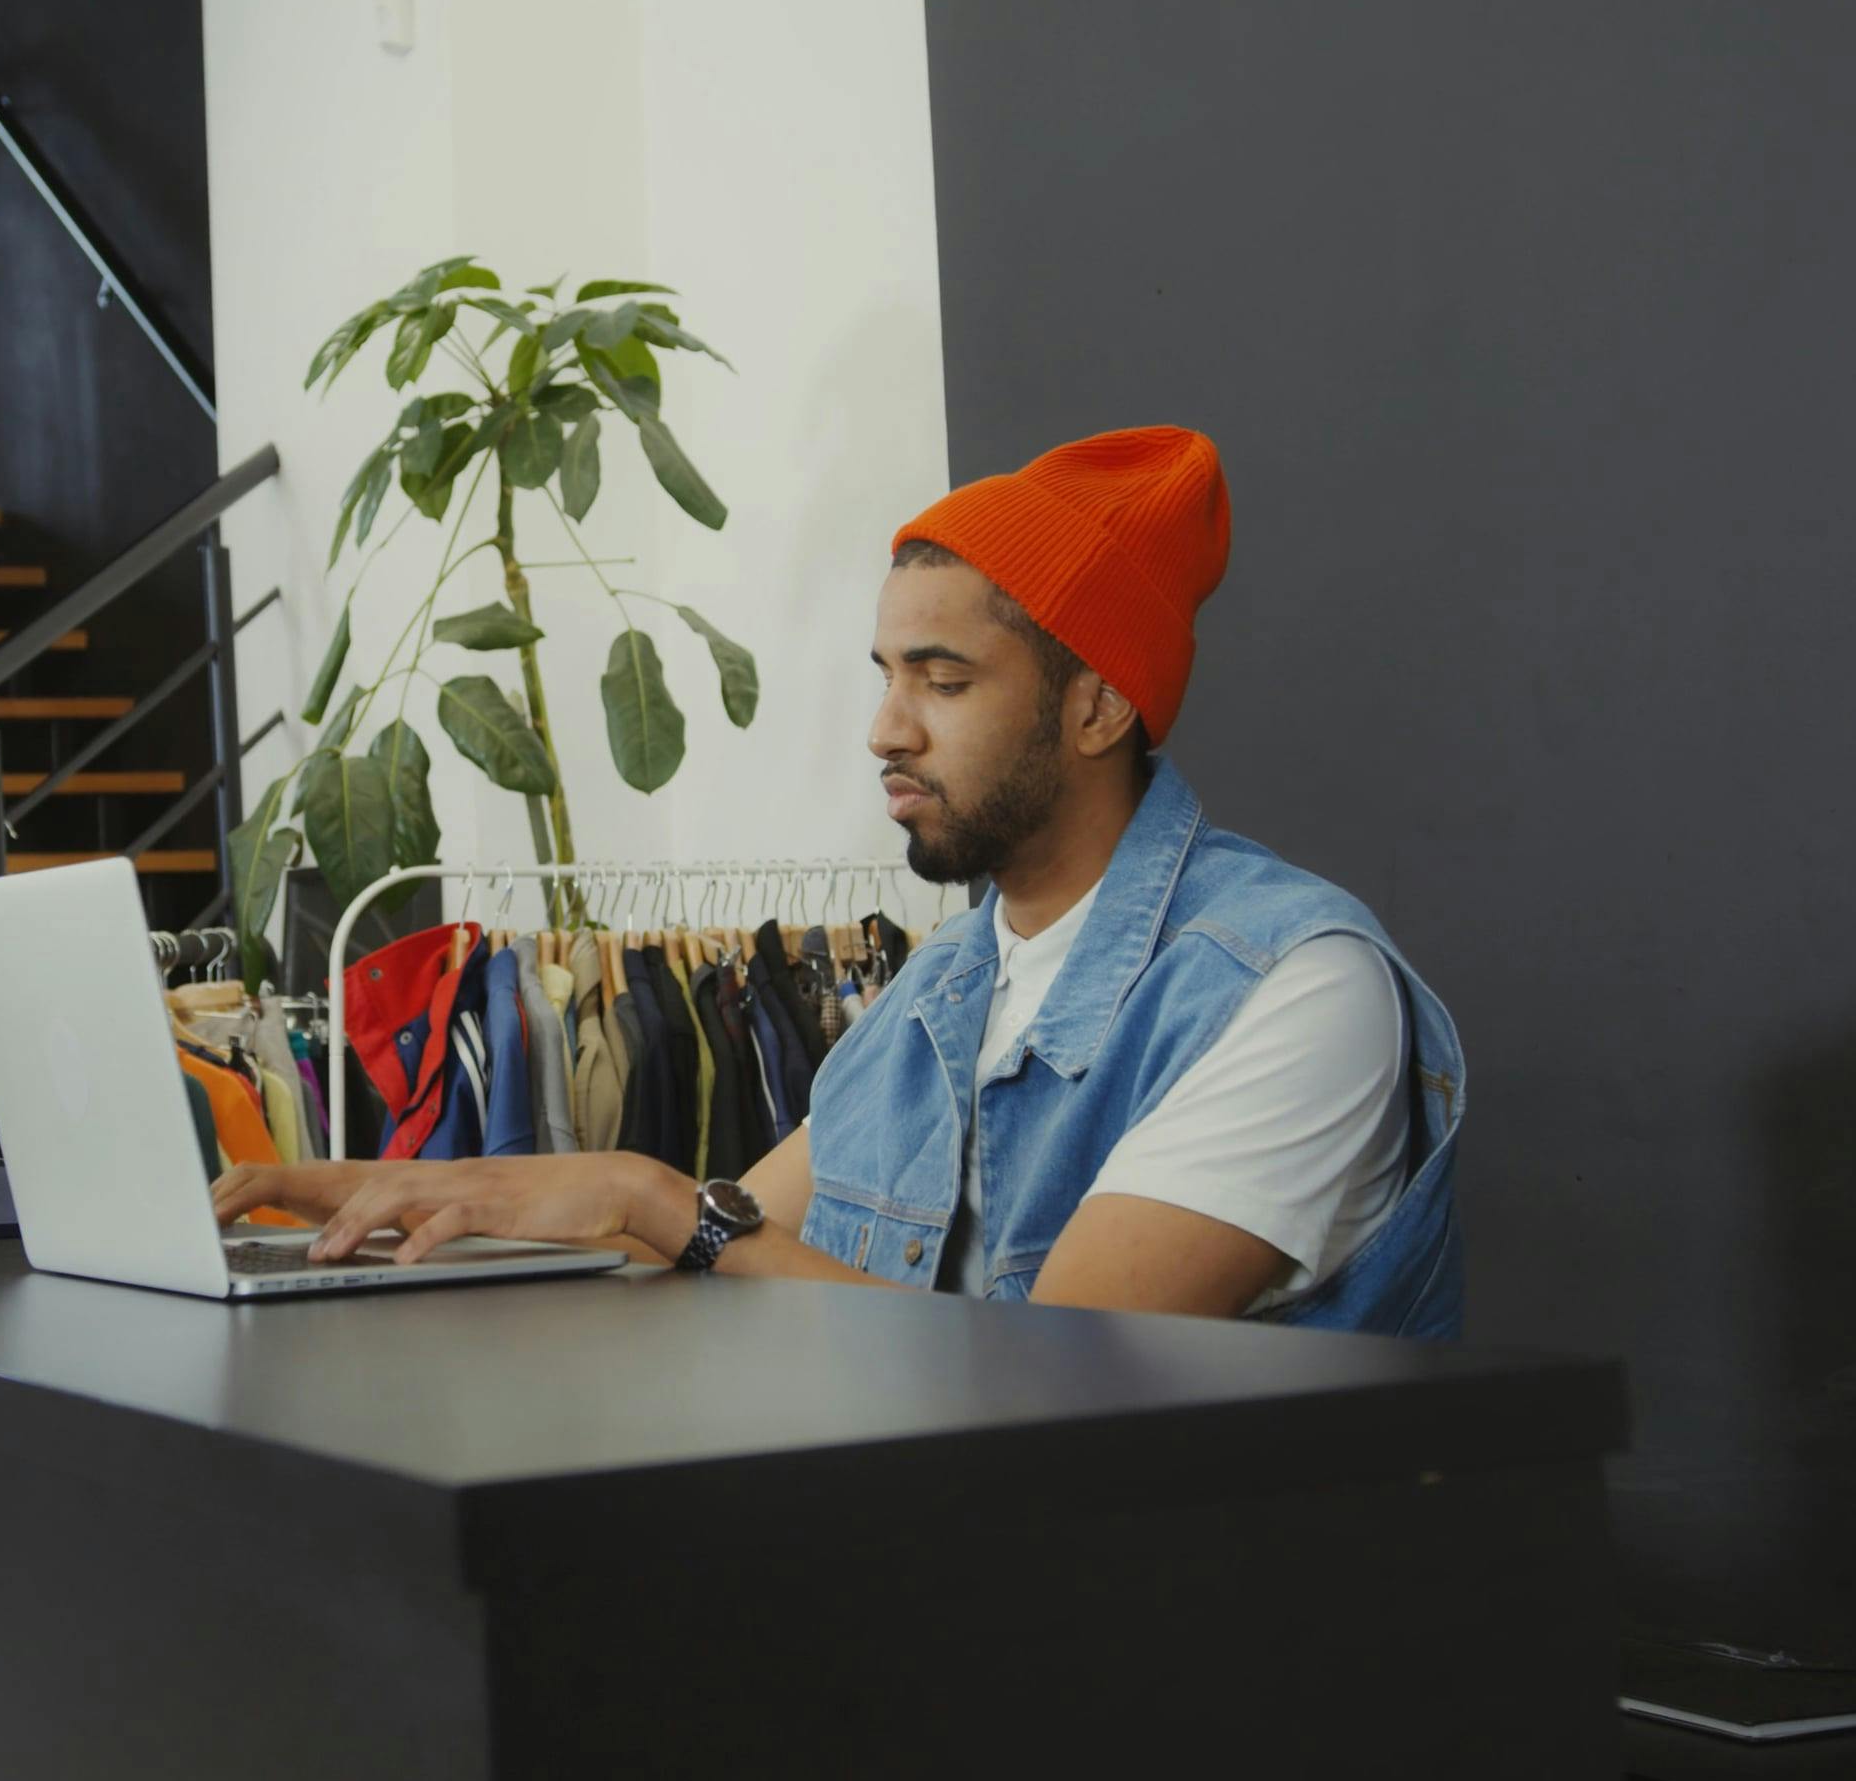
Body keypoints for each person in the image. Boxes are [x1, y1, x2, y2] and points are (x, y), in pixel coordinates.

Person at [214, 426, 1472, 1334]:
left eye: (943, 679)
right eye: (885, 673)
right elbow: (729, 1238)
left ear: (1098, 706)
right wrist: (426, 1213)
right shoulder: (947, 983)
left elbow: (1063, 1397)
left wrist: (651, 1194)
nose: (884, 729)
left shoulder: (1295, 990)